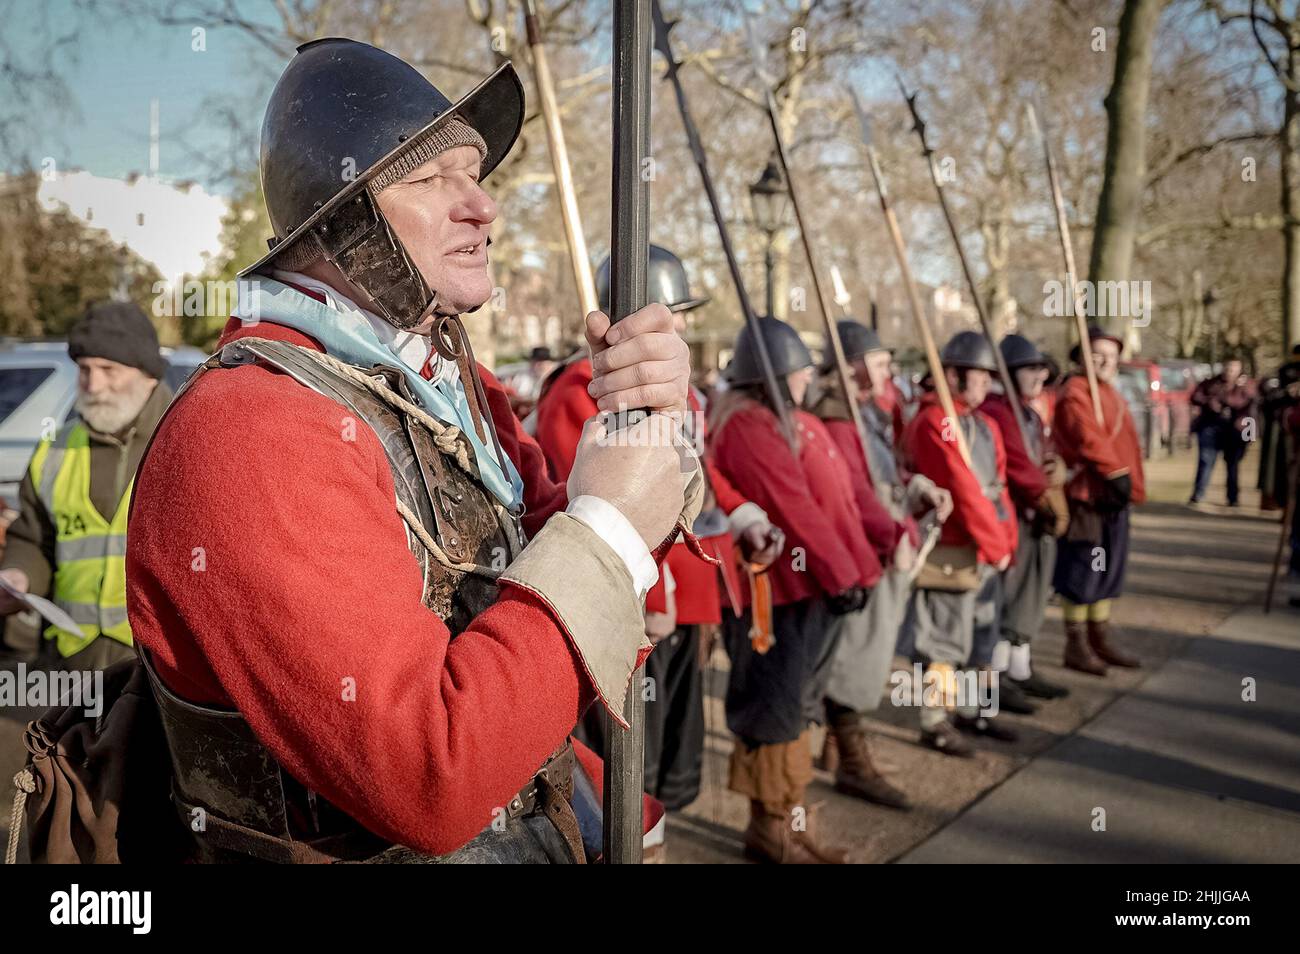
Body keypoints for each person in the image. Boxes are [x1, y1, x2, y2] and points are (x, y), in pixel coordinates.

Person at [125, 38, 698, 864]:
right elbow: (430, 779)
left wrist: (649, 426)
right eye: (431, 179)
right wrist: (606, 531)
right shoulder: (251, 430)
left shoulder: (447, 380)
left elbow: (553, 548)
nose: (483, 207)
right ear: (342, 217)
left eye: (476, 174)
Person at [534, 246, 785, 820]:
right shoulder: (584, 389)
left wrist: (742, 515)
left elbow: (690, 465)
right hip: (644, 600)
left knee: (675, 748)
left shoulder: (681, 388)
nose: (686, 328)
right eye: (675, 314)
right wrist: (658, 593)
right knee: (629, 769)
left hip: (692, 590)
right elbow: (614, 504)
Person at [710, 315, 873, 863]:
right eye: (799, 372)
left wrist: (852, 570)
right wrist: (841, 573)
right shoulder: (747, 427)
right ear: (776, 378)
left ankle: (792, 816)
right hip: (773, 593)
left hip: (806, 588)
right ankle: (769, 826)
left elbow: (835, 502)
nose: (808, 381)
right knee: (774, 709)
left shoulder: (784, 420)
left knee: (798, 706)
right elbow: (792, 508)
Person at [810, 320, 950, 809]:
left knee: (867, 651)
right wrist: (894, 531)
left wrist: (915, 489)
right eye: (879, 361)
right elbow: (853, 492)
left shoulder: (867, 413)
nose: (889, 369)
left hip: (882, 540)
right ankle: (851, 761)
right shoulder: (835, 418)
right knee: (856, 656)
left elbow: (884, 475)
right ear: (853, 366)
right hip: (862, 547)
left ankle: (839, 748)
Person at [0, 301, 172, 671]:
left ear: (148, 374)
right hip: (72, 660)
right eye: (84, 370)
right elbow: (34, 538)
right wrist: (19, 574)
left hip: (158, 667)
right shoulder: (55, 450)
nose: (93, 385)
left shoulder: (186, 439)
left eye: (108, 370)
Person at [901, 331, 1018, 756]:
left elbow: (997, 486)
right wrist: (995, 542)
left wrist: (1006, 540)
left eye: (990, 375)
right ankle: (935, 719)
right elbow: (962, 487)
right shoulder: (933, 421)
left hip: (988, 544)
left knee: (982, 631)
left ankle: (974, 709)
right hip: (953, 546)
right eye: (978, 375)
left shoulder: (983, 423)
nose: (987, 383)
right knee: (944, 640)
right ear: (952, 375)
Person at [980, 335, 1069, 706]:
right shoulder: (999, 412)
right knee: (1010, 597)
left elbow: (1044, 455)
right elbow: (1017, 465)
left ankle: (1020, 667)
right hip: (1014, 513)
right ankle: (999, 676)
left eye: (1041, 369)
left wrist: (1056, 470)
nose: (1039, 375)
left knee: (1033, 592)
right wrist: (1043, 495)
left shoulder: (1028, 411)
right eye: (1031, 369)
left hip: (1036, 514)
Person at [1052, 325, 1146, 674]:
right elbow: (1089, 439)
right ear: (1081, 359)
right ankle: (1076, 643)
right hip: (1088, 497)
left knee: (1108, 570)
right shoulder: (1075, 393)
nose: (1105, 360)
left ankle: (1099, 637)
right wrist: (1115, 474)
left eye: (1111, 354)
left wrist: (1130, 484)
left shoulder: (1111, 393)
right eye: (1096, 354)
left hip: (1112, 498)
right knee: (1083, 571)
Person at [1189, 356, 1257, 507]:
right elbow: (1195, 396)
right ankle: (1198, 494)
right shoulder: (1212, 383)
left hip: (1235, 430)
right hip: (1211, 427)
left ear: (1239, 369)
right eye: (1227, 367)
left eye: (1233, 368)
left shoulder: (1246, 385)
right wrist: (1210, 401)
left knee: (1233, 464)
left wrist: (1251, 434)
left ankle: (1233, 498)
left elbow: (1249, 406)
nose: (1230, 371)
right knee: (1206, 461)